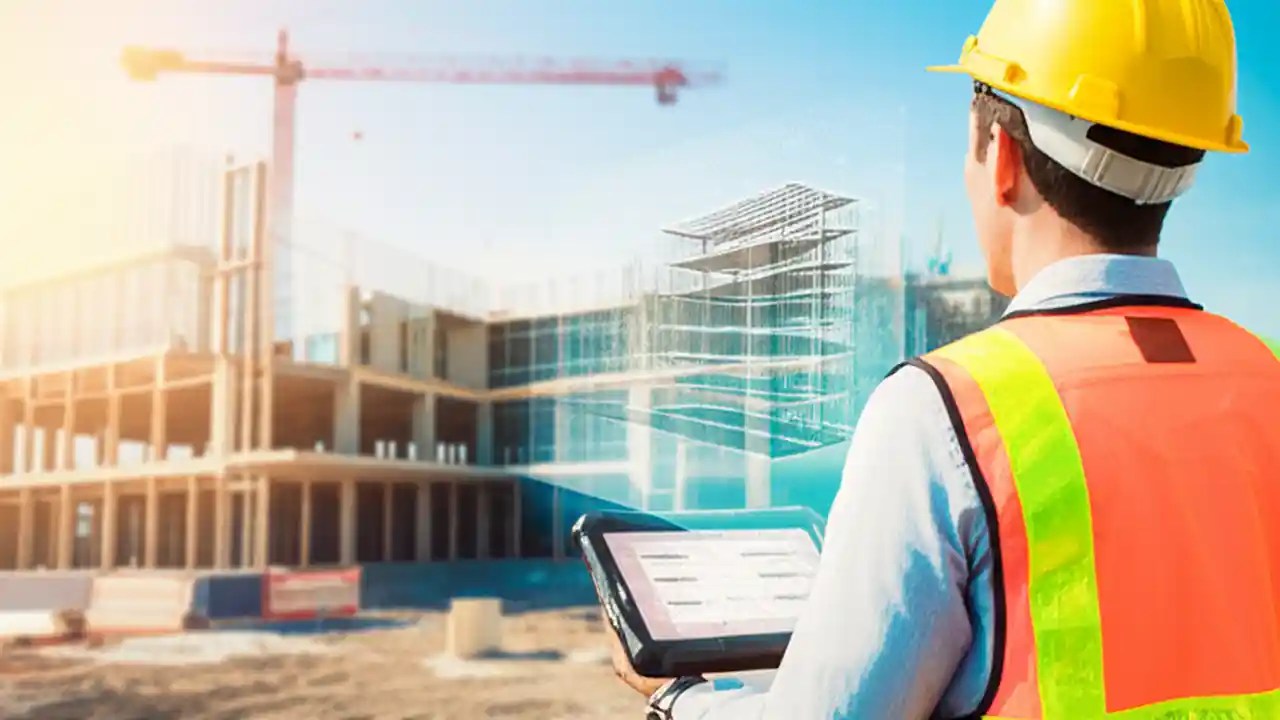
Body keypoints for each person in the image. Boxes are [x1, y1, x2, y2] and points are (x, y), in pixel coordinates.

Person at [608, 0, 1280, 717]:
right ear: (1187, 160)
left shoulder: (947, 410)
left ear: (1002, 158)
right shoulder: (1265, 376)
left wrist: (679, 699)